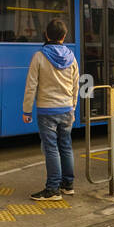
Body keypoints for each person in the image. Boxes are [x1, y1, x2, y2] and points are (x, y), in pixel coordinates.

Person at [22, 18, 80, 201]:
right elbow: (76, 85)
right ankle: (68, 185)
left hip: (47, 110)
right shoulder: (72, 57)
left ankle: (53, 189)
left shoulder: (39, 56)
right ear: (64, 36)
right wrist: (73, 106)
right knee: (66, 146)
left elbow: (31, 86)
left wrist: (26, 110)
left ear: (46, 35)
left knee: (51, 148)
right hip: (66, 109)